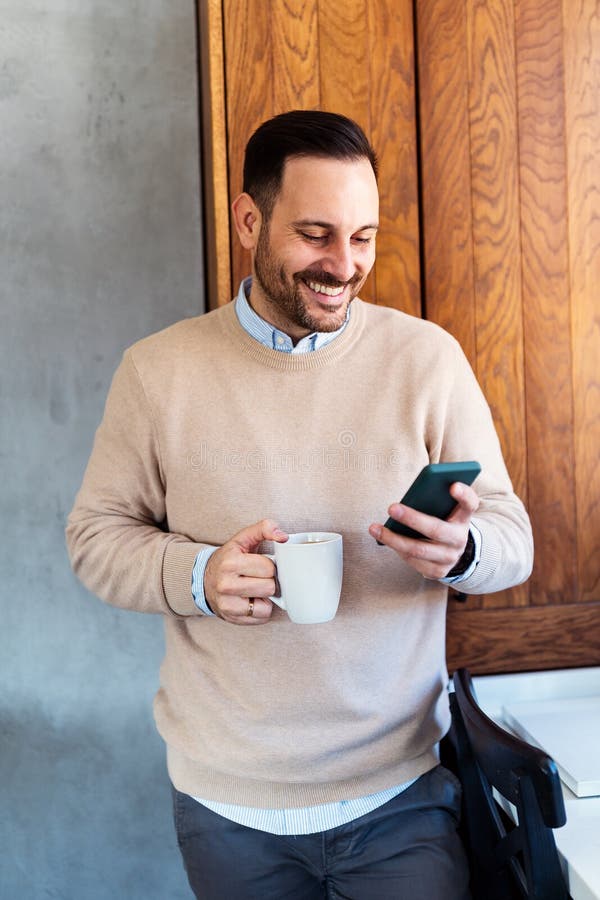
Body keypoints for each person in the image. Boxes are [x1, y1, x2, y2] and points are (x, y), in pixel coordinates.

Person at [66, 109, 533, 899]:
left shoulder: (427, 359)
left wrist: (465, 551)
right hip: (226, 809)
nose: (344, 265)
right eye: (316, 235)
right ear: (250, 220)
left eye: (363, 237)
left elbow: (510, 535)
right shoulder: (157, 372)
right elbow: (95, 537)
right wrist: (198, 576)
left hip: (402, 797)